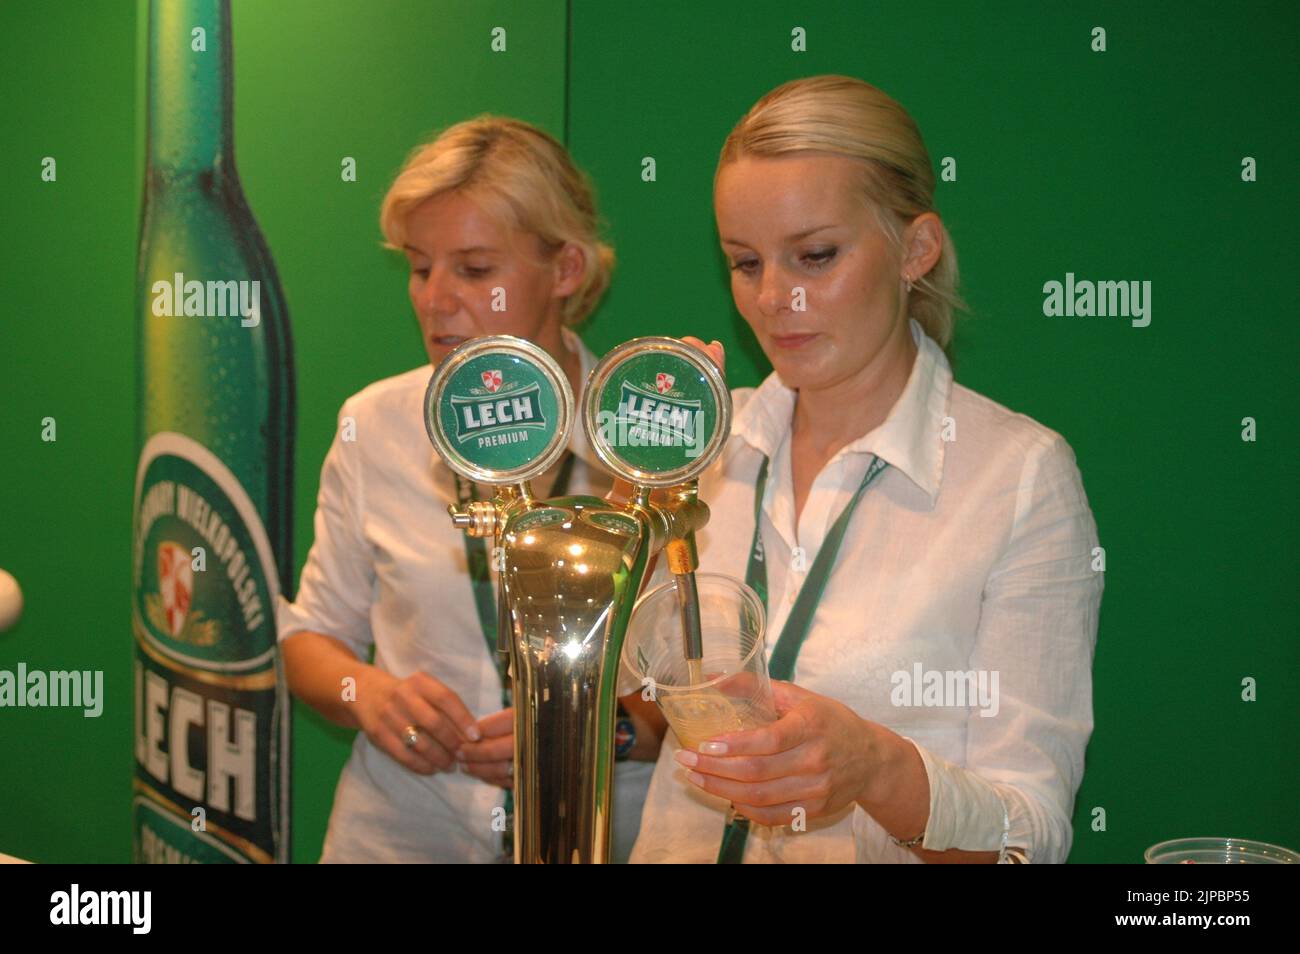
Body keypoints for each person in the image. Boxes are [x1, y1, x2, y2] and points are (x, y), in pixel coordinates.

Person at [626, 75, 1103, 863]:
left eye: (815, 257)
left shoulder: (1017, 477)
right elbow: (602, 695)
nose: (778, 298)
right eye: (746, 263)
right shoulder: (696, 450)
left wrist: (877, 769)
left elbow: (1031, 838)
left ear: (916, 248)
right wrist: (624, 526)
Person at [277, 116, 659, 863]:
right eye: (422, 268)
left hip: (605, 837)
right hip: (397, 836)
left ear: (567, 270)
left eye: (476, 270)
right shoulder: (375, 422)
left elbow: (704, 685)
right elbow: (309, 641)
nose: (436, 299)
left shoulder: (644, 438)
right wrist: (371, 697)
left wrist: (591, 734)